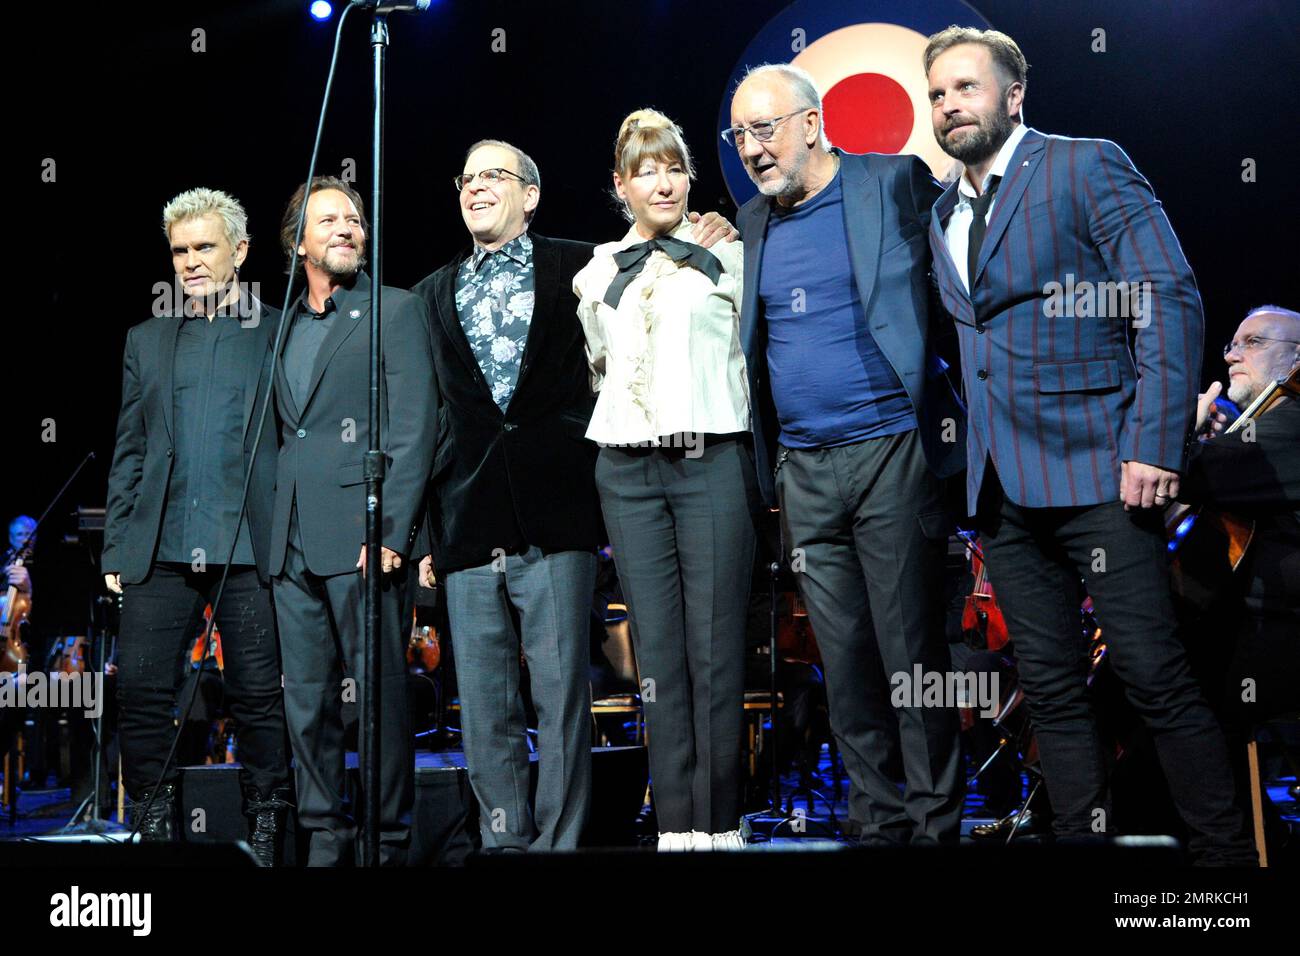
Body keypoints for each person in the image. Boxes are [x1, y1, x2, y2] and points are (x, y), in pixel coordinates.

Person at [923, 25, 1255, 863]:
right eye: (936, 95)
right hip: (1003, 488)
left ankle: (1225, 864)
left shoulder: (1082, 163)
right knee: (1052, 694)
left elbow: (1166, 296)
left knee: (1153, 679)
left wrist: (1154, 443)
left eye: (966, 87)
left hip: (1106, 472)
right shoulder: (942, 211)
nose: (950, 106)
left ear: (1013, 94)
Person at [412, 139, 733, 851]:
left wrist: (710, 232)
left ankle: (558, 847)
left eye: (494, 175)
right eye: (466, 177)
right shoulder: (431, 292)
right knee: (483, 702)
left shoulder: (581, 265)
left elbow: (657, 266)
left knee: (560, 697)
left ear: (530, 195)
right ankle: (503, 842)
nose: (476, 187)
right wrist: (423, 534)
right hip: (466, 519)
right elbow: (428, 419)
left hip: (558, 511)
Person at [728, 63, 966, 846]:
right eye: (740, 135)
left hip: (890, 450)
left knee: (911, 653)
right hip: (803, 470)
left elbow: (968, 263)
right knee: (846, 661)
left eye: (767, 129)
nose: (755, 149)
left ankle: (935, 821)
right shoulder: (750, 223)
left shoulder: (893, 183)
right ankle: (876, 818)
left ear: (812, 123)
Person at [573, 109, 755, 850]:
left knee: (714, 647)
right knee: (657, 651)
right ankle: (676, 824)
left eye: (674, 166)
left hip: (709, 457)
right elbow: (598, 366)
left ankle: (720, 820)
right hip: (625, 466)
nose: (663, 182)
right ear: (621, 185)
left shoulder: (731, 255)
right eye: (646, 170)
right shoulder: (595, 271)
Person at [101, 188, 290, 864]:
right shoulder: (146, 340)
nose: (190, 261)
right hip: (160, 545)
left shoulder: (280, 329)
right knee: (144, 692)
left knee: (258, 695)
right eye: (180, 251)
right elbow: (131, 449)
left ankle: (270, 826)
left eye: (204, 247)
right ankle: (153, 827)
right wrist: (118, 544)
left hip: (249, 548)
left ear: (239, 250)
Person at [268, 176, 437, 866]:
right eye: (329, 220)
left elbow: (415, 424)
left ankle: (388, 836)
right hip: (291, 539)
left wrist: (393, 529)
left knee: (378, 699)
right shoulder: (274, 323)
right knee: (305, 701)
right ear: (296, 241)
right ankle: (324, 833)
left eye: (355, 220)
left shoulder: (392, 311)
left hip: (365, 538)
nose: (346, 228)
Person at [1181, 305, 1300, 859]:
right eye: (1231, 343)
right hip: (1263, 624)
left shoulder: (1293, 419)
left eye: (1251, 342)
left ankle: (1233, 846)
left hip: (1282, 635)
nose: (1231, 354)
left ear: (1295, 359)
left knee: (1169, 687)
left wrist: (1182, 432)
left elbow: (1195, 473)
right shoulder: (1264, 422)